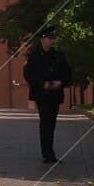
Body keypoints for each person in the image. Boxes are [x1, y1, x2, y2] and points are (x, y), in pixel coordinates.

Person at [23, 27, 72, 164]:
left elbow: (67, 73)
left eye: (52, 38)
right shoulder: (34, 56)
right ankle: (47, 154)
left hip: (55, 94)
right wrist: (42, 84)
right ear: (43, 39)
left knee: (51, 123)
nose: (51, 41)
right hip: (42, 94)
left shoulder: (58, 55)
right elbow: (28, 74)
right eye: (49, 38)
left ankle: (49, 152)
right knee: (45, 123)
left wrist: (60, 82)